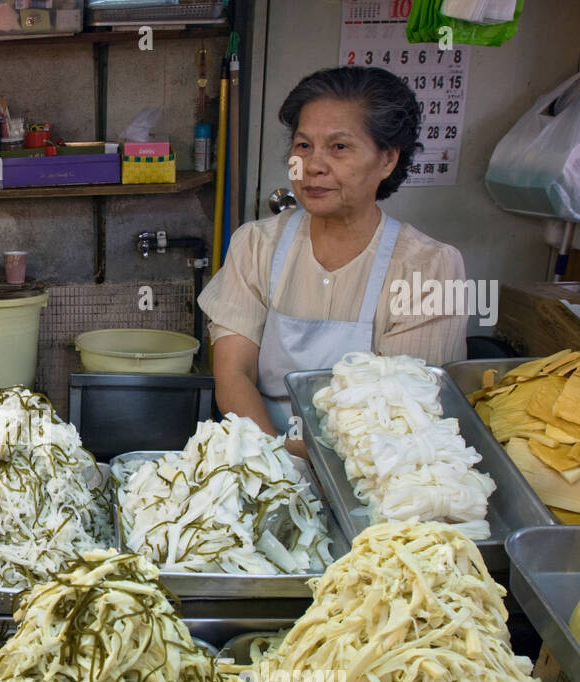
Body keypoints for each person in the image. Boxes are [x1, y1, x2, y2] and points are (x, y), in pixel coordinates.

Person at [199, 66, 468, 456]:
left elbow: (401, 413)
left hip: (370, 474)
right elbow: (232, 374)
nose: (313, 165)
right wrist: (278, 465)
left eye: (339, 147)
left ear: (388, 160)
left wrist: (317, 469)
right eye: (303, 146)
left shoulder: (429, 268)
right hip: (264, 456)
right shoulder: (256, 245)